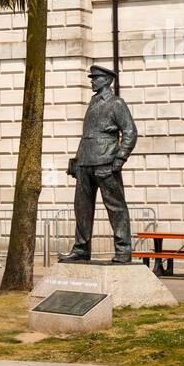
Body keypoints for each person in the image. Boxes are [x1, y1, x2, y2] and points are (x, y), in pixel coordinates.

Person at [60, 65, 138, 264]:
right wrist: (76, 160)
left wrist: (120, 158)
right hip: (86, 163)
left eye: (96, 78)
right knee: (82, 207)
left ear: (107, 80)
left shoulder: (116, 103)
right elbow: (88, 135)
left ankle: (123, 251)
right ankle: (81, 249)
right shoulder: (93, 102)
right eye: (92, 78)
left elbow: (130, 132)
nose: (92, 81)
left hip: (106, 162)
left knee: (116, 207)